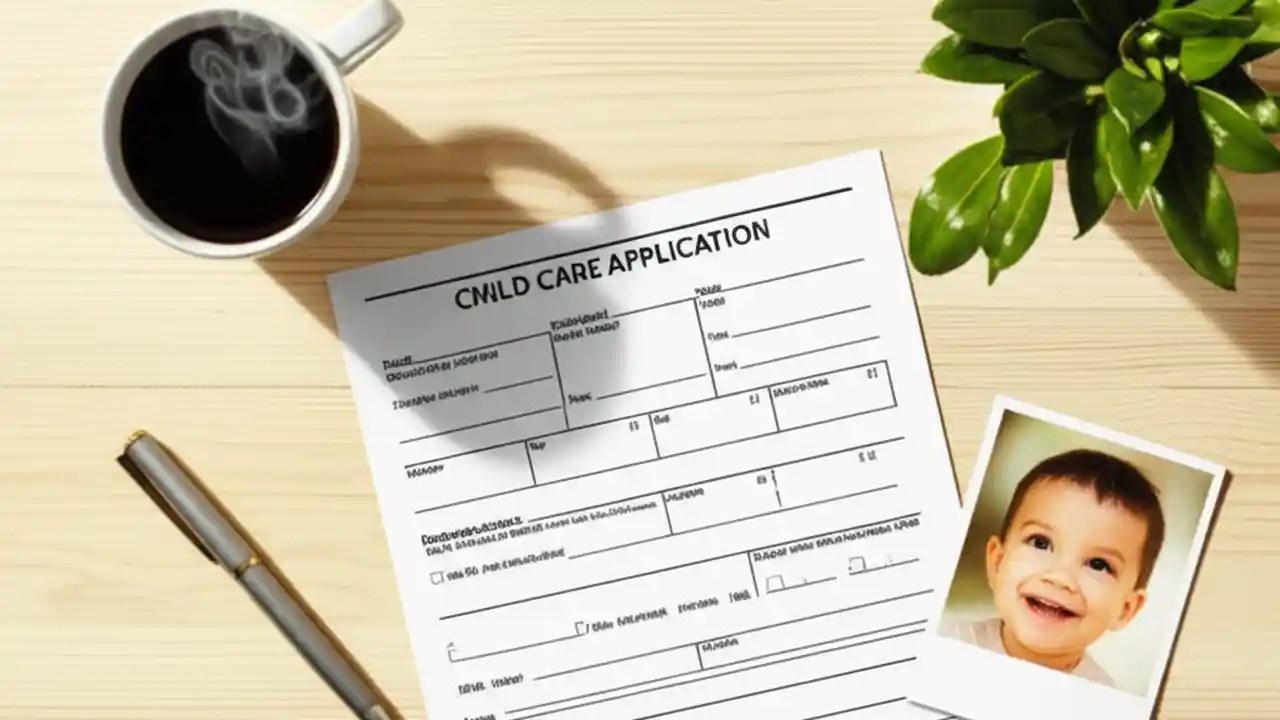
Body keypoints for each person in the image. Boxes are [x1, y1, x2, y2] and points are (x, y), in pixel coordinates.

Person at [941, 449, 1165, 688]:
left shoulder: (1105, 704)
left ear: (1125, 609)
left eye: (1098, 565)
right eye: (1041, 543)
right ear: (997, 563)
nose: (1060, 578)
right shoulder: (946, 644)